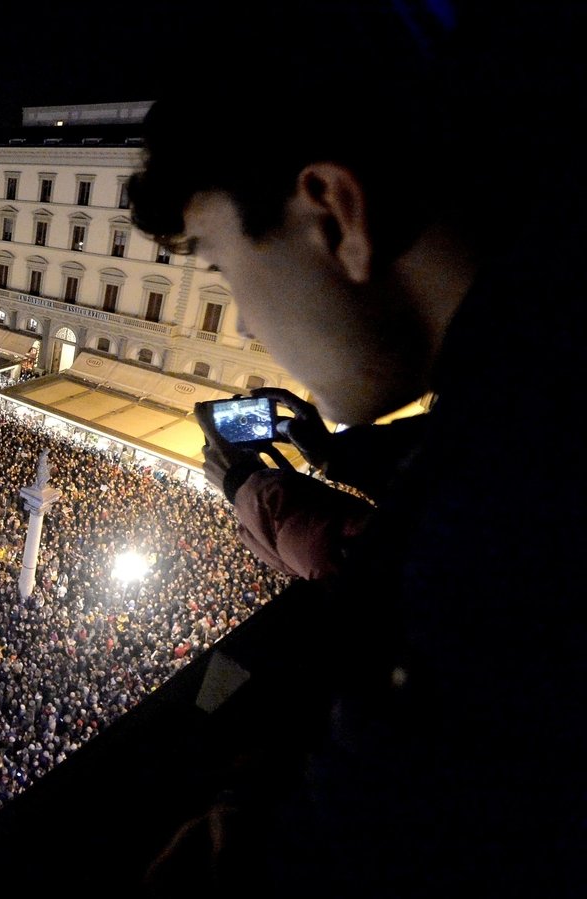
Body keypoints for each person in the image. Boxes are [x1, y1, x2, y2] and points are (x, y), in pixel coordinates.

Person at [128, 3, 587, 896]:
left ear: (336, 212)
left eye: (221, 265)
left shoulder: (505, 534)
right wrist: (343, 464)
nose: (243, 319)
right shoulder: (533, 399)